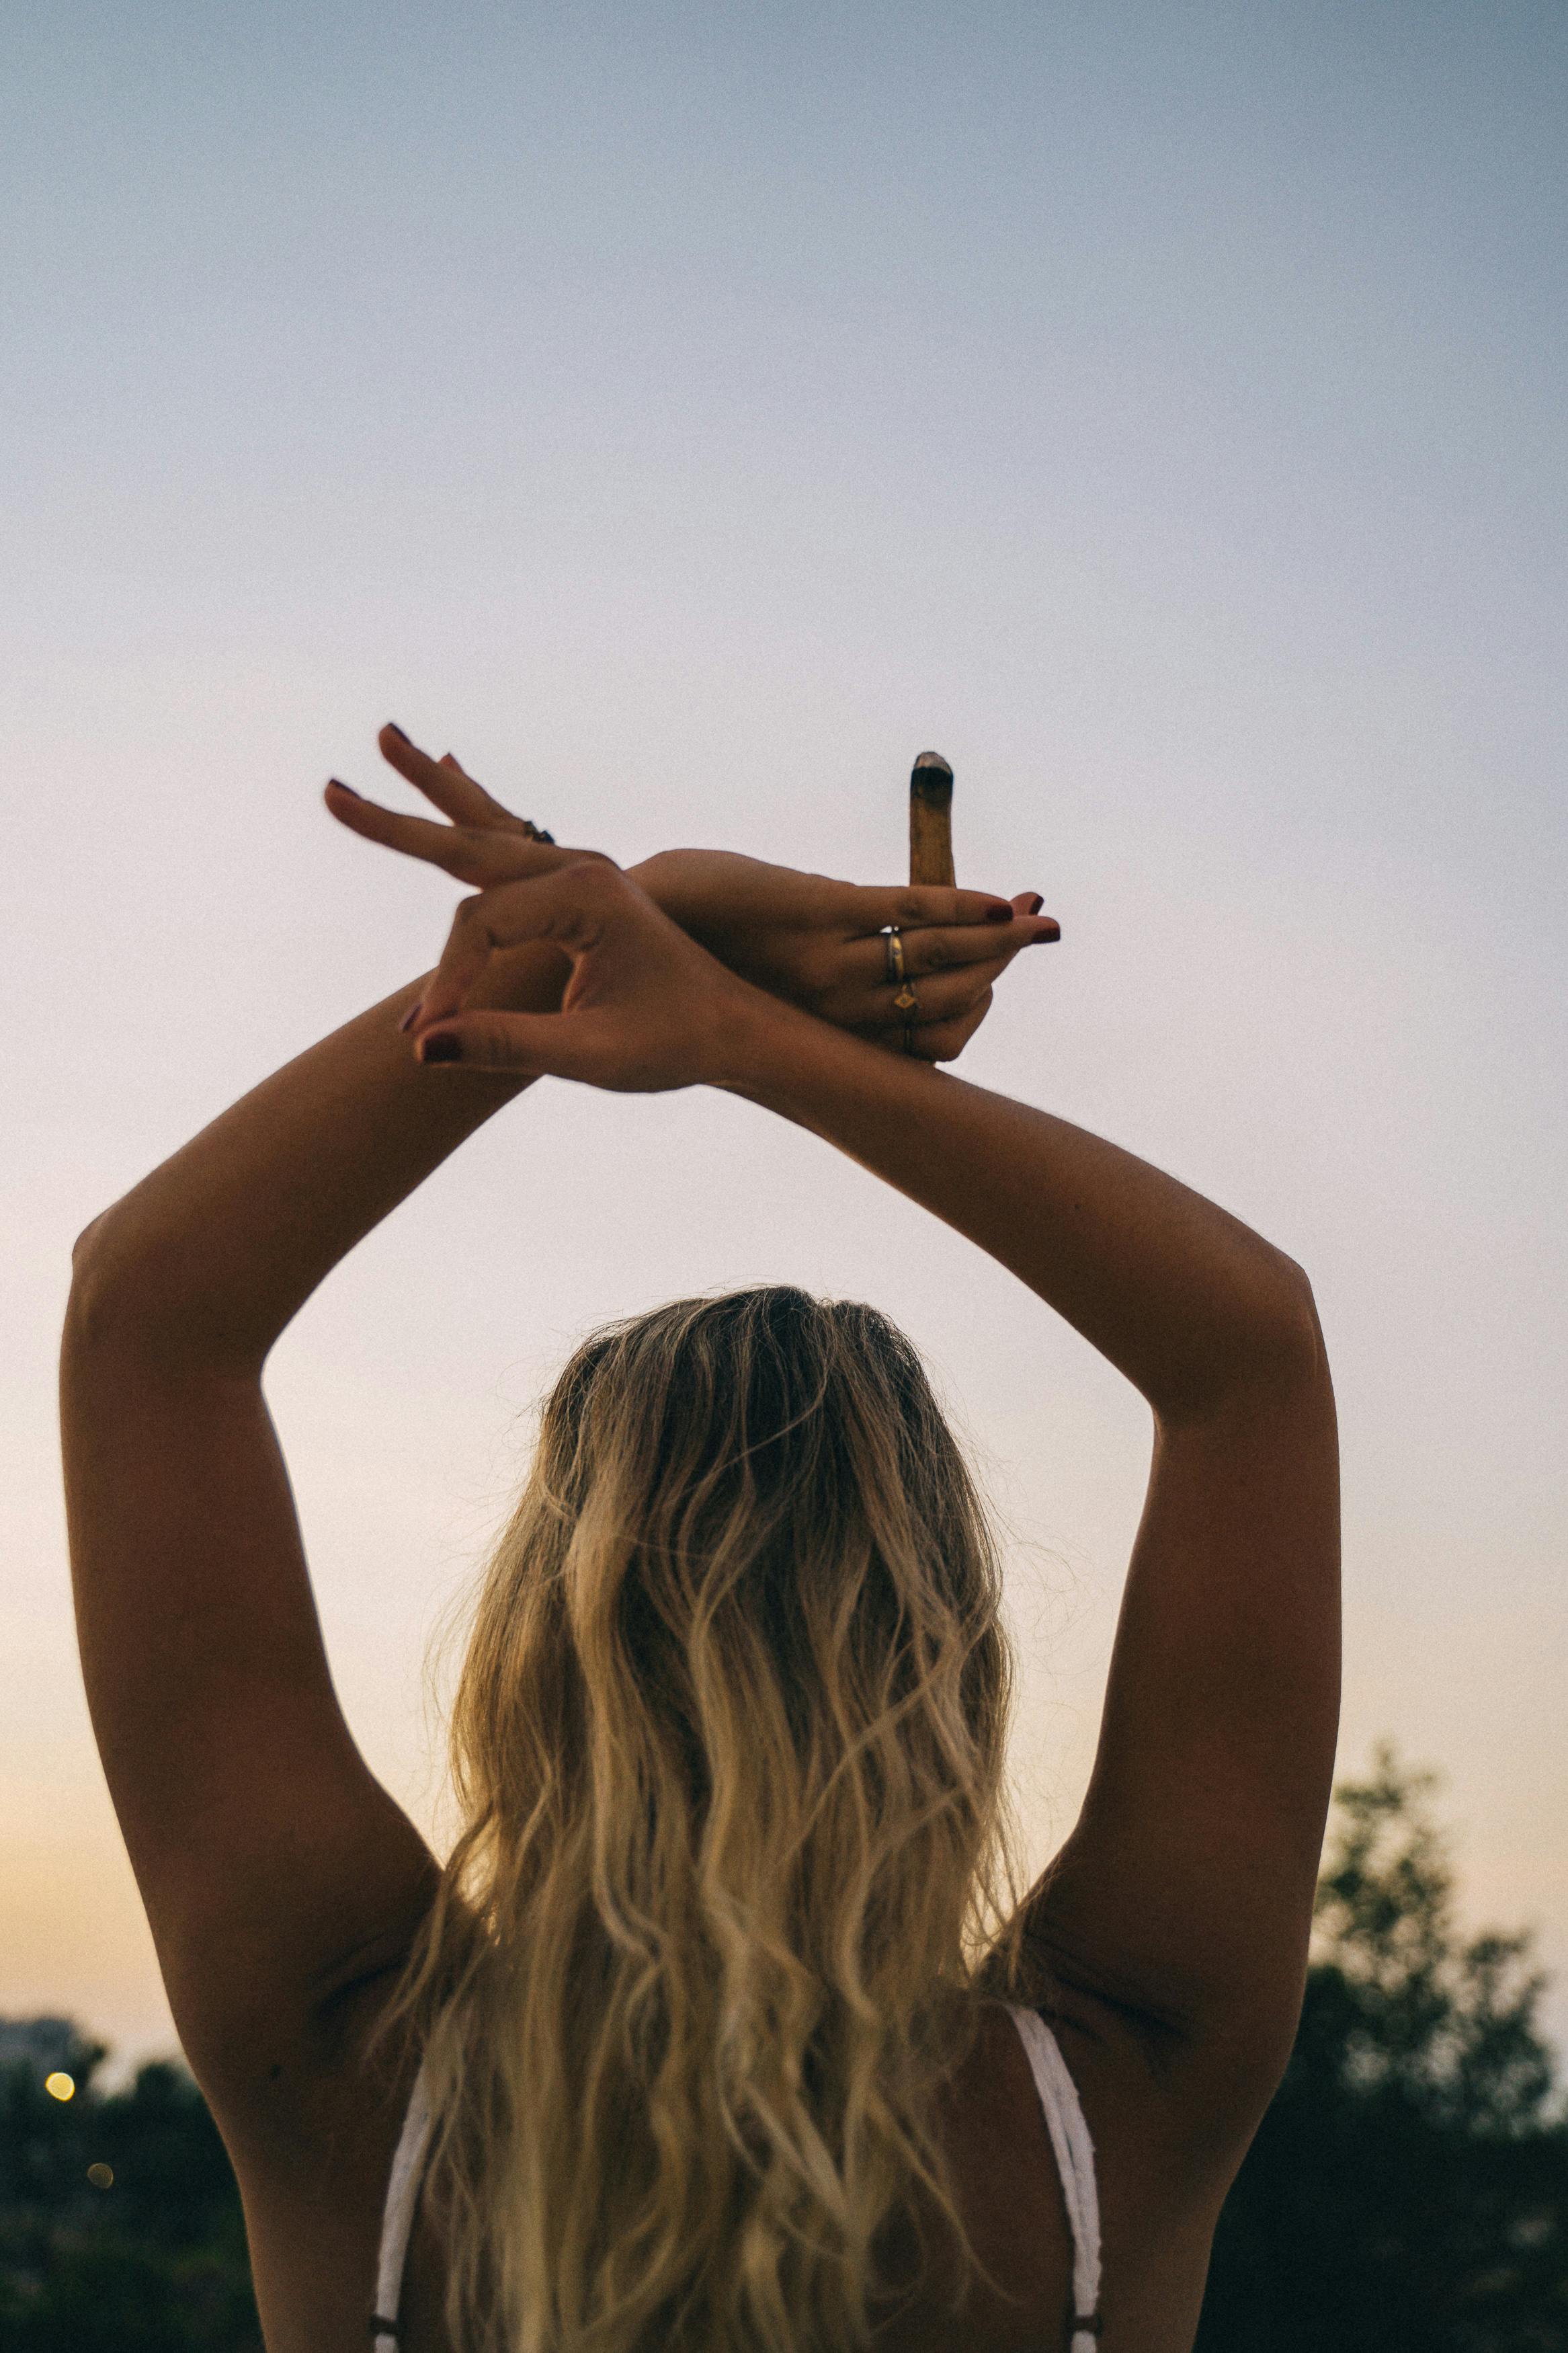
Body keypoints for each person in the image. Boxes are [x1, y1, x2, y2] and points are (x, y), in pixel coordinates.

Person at [61, 724, 1339, 2353]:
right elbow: (1253, 1360)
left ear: (548, 1622)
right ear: (942, 1639)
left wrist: (630, 929)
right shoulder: (1126, 2079)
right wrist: (748, 1038)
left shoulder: (345, 2062)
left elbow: (144, 1319)